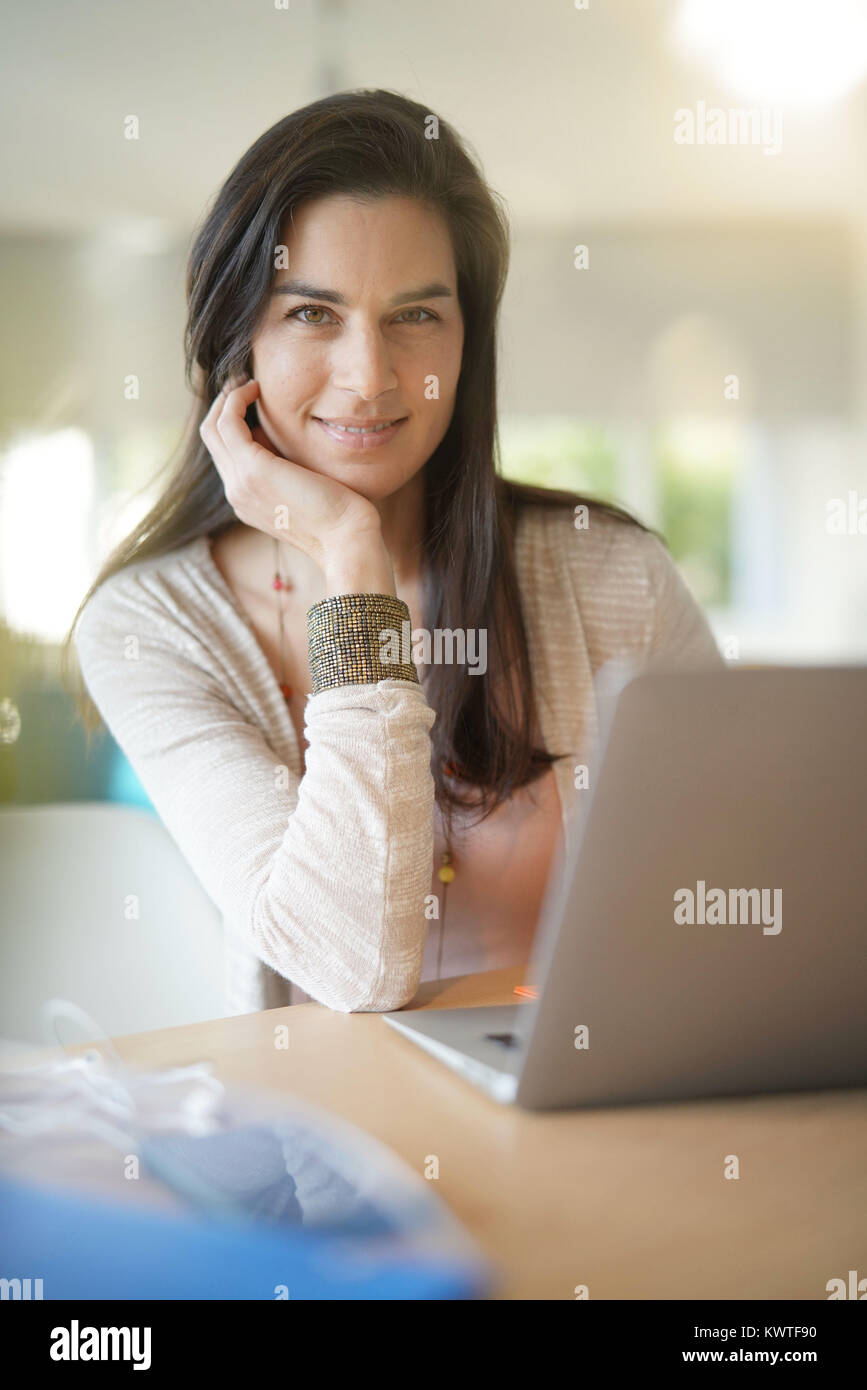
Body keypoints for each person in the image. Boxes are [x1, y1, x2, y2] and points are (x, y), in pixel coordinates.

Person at [66, 89, 721, 1016]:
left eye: (415, 316)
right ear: (235, 340)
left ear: (466, 344)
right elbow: (352, 967)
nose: (369, 377)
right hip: (326, 1140)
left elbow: (742, 903)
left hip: (589, 1104)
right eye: (312, 315)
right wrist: (350, 553)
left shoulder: (609, 574)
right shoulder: (149, 626)